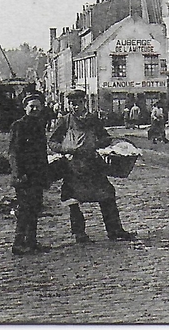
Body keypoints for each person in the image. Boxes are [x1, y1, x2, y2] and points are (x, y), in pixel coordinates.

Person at [51, 90, 136, 243]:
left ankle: (115, 230)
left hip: (93, 164)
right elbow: (52, 143)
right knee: (73, 200)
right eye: (71, 104)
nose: (74, 107)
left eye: (77, 103)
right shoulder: (64, 121)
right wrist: (67, 149)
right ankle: (79, 234)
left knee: (107, 195)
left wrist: (102, 143)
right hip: (73, 166)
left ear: (84, 103)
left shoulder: (93, 120)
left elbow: (104, 137)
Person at [7, 91, 53, 255]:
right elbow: (14, 152)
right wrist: (18, 174)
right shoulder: (18, 126)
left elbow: (42, 153)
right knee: (24, 210)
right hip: (25, 176)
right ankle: (19, 243)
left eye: (37, 107)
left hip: (37, 175)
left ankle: (32, 242)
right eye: (31, 106)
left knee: (35, 209)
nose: (34, 109)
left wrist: (45, 174)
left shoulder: (39, 125)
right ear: (25, 108)